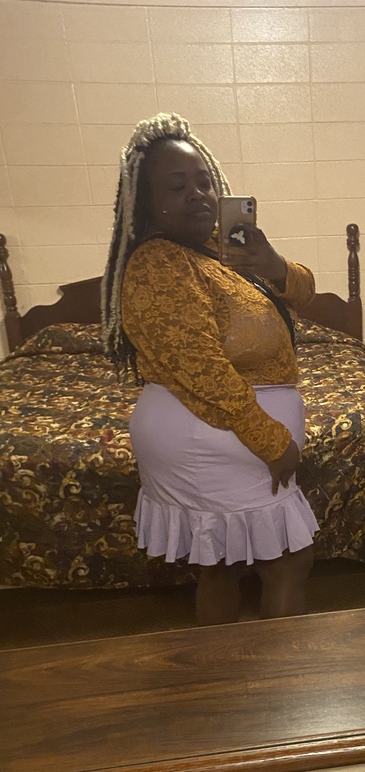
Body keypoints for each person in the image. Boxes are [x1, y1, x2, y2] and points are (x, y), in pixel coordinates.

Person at [101, 113, 318, 624]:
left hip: (219, 432)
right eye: (177, 187)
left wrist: (273, 265)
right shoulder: (159, 264)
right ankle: (277, 669)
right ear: (146, 203)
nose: (196, 195)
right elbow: (202, 369)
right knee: (287, 562)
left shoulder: (218, 251)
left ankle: (226, 670)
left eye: (204, 182)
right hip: (211, 431)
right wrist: (271, 440)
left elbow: (306, 292)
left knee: (221, 567)